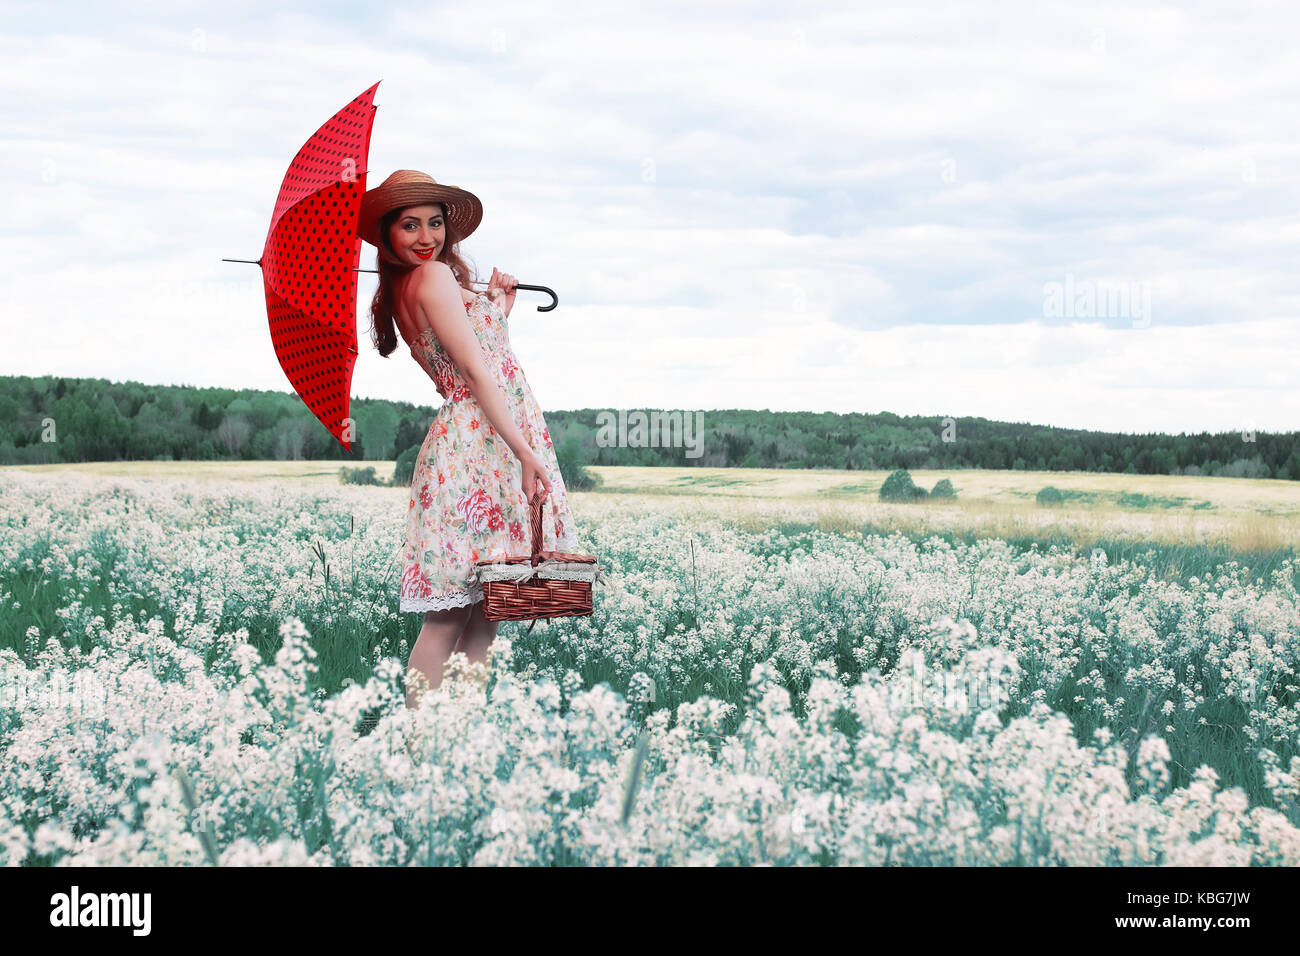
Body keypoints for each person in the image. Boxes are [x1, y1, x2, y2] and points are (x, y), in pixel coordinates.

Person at [356, 169, 581, 709]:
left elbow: (481, 355)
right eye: (409, 225)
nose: (426, 236)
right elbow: (479, 376)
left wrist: (497, 310)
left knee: (485, 604)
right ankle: (420, 740)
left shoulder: (408, 288)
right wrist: (526, 451)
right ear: (387, 234)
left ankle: (457, 740)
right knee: (451, 614)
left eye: (434, 223)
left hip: (476, 439)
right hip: (479, 445)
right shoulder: (431, 279)